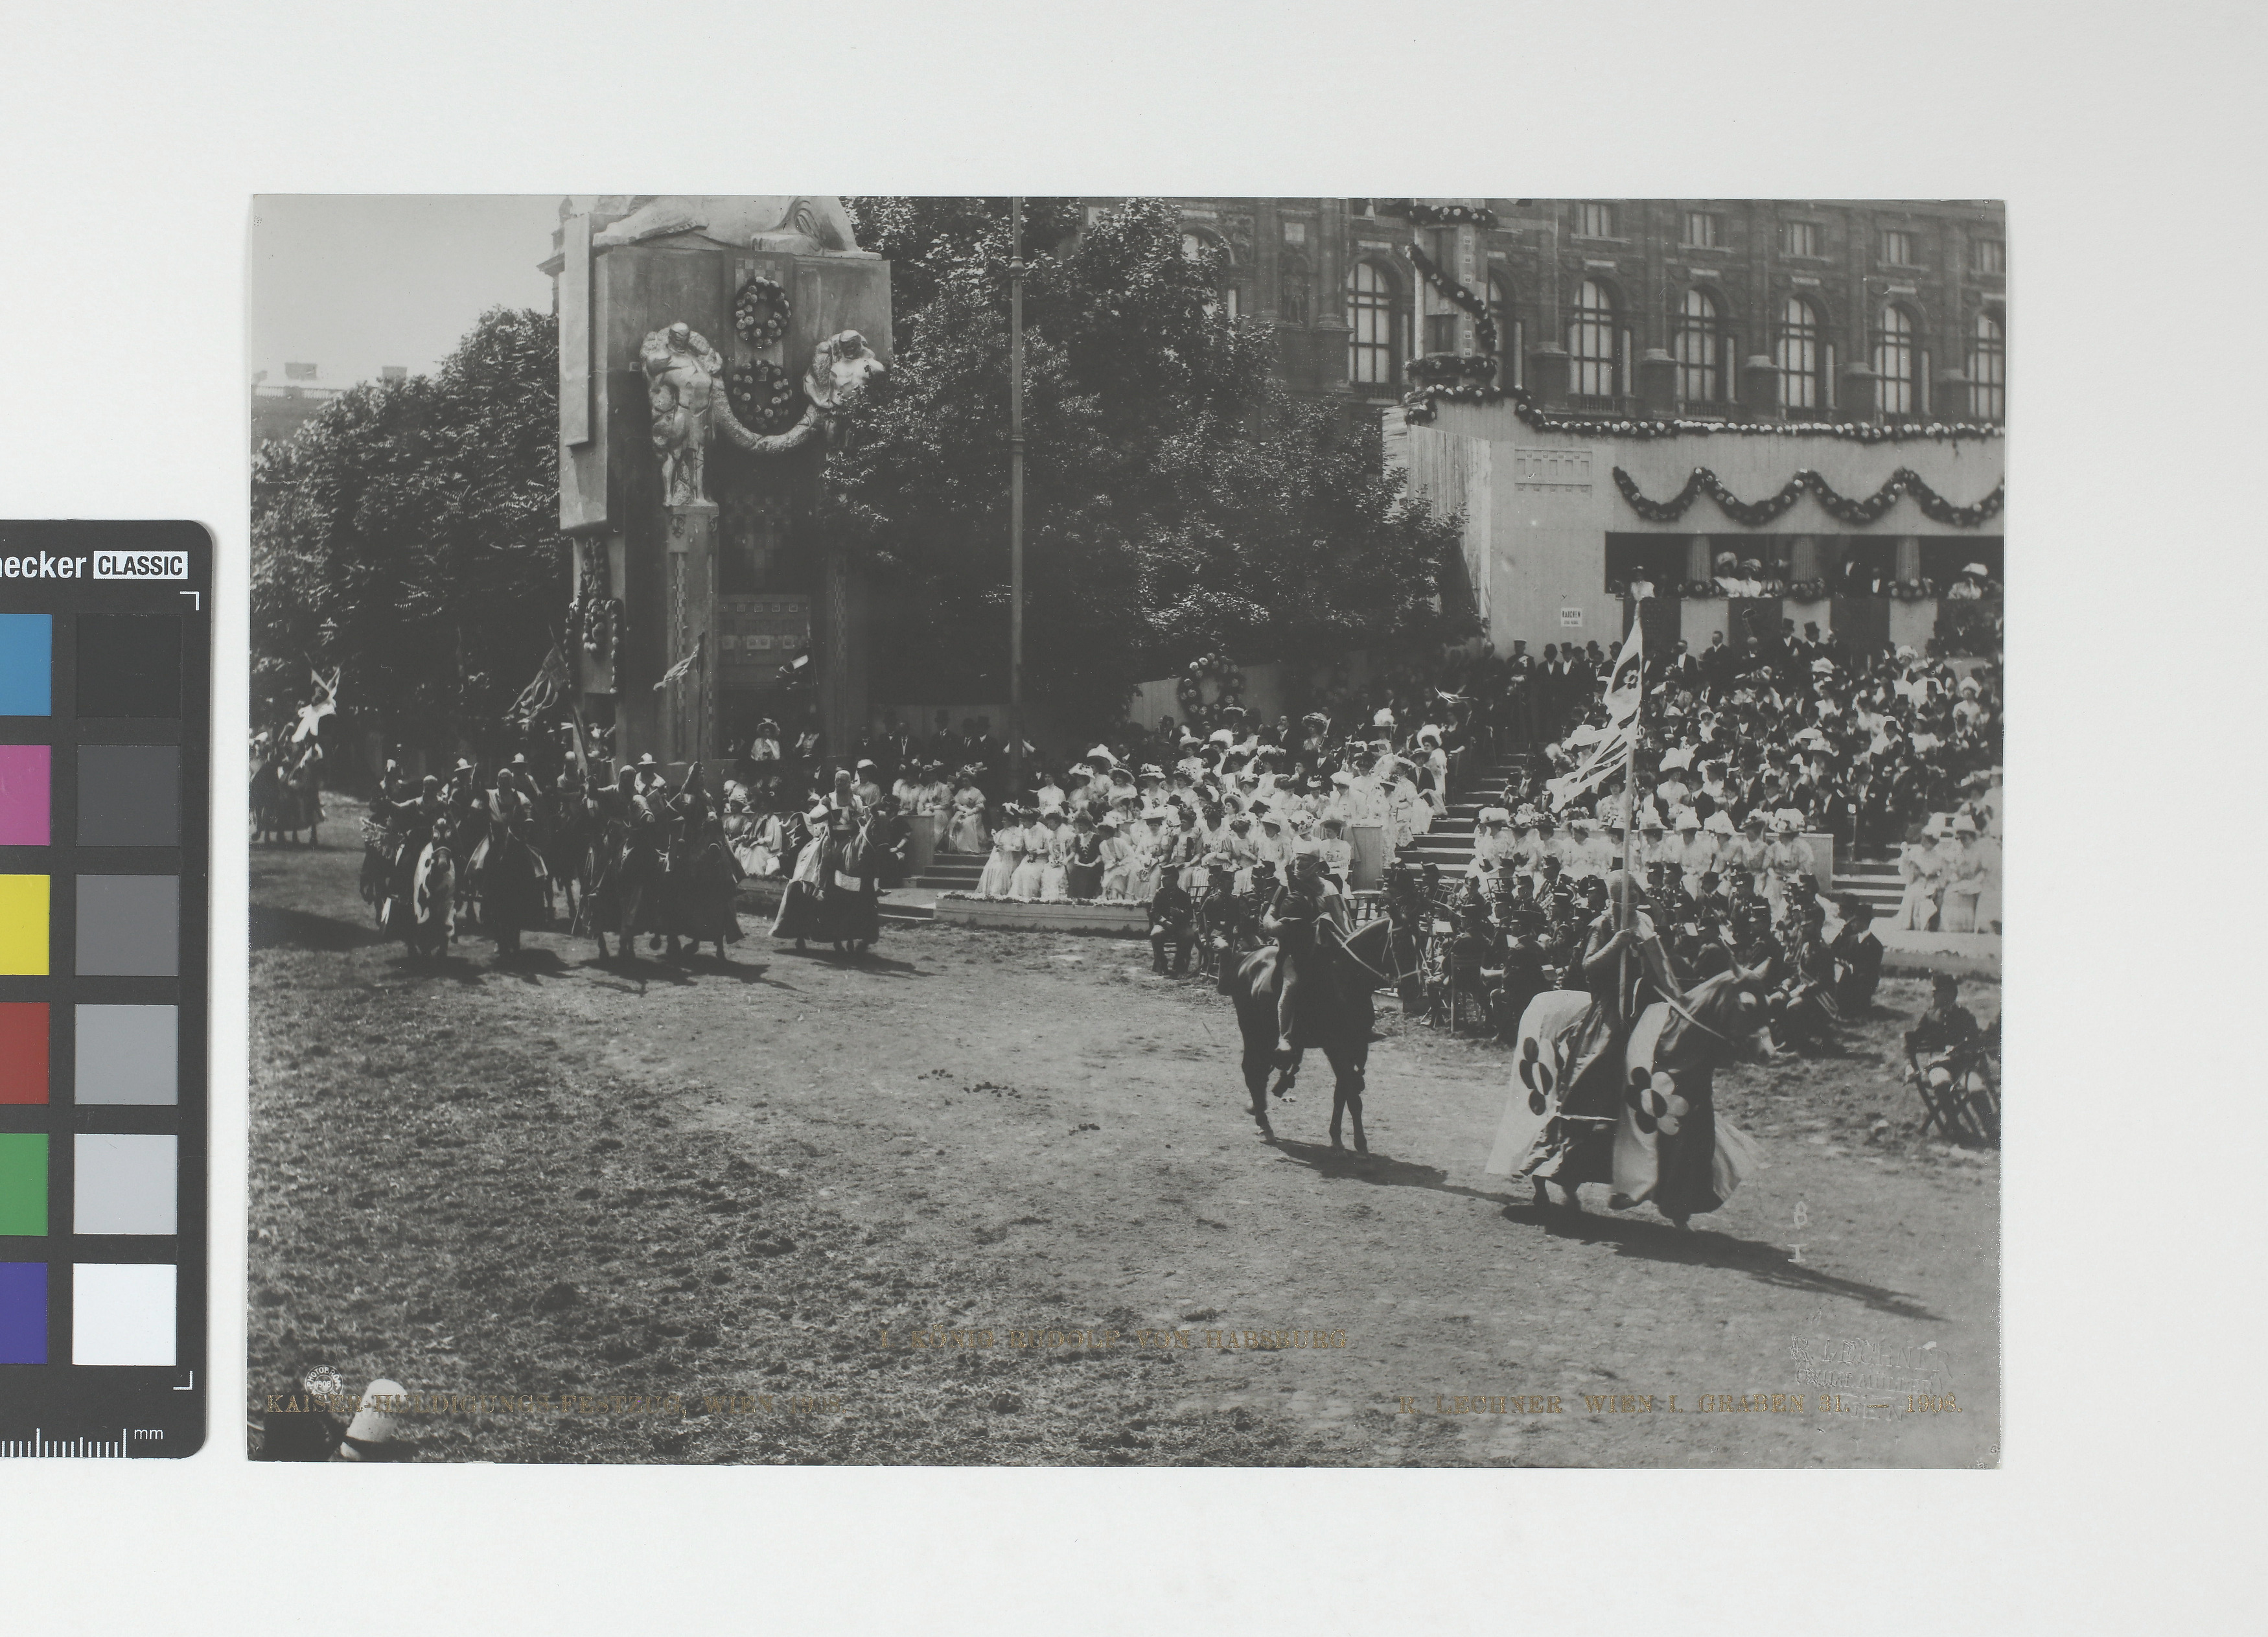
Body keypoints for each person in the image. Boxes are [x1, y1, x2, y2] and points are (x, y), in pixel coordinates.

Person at [1260, 846, 1352, 1063]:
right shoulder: (1286, 886)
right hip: (1291, 948)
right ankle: (1284, 1036)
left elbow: (1340, 920)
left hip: (1322, 947)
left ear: (1316, 865)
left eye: (1304, 861)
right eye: (1297, 860)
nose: (1299, 865)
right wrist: (1274, 926)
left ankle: (1355, 1027)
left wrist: (1347, 940)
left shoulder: (1327, 888)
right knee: (1292, 983)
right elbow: (1269, 915)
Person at [1829, 898, 1884, 1015]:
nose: (1852, 924)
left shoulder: (1875, 944)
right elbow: (1843, 955)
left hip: (1864, 979)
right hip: (1849, 976)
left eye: (1855, 921)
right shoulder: (1852, 940)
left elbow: (1871, 967)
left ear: (1864, 922)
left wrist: (1852, 968)